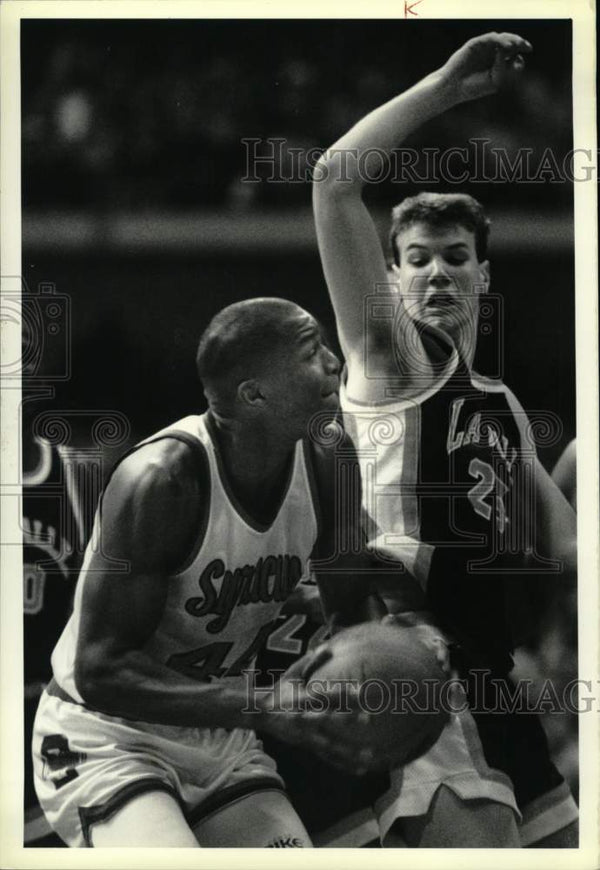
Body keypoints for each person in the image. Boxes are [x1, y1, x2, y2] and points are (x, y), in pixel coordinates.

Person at [312, 31, 578, 847]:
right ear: (390, 279)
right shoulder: (396, 361)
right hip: (414, 661)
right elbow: (331, 183)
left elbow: (561, 544)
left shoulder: (496, 401)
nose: (436, 273)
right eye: (416, 259)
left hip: (489, 674)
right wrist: (442, 89)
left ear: (483, 276)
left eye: (456, 258)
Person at [31, 297, 400, 848]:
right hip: (107, 735)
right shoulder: (160, 482)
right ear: (254, 394)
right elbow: (99, 671)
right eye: (312, 352)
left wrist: (388, 662)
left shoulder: (330, 458)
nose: (334, 363)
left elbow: (348, 611)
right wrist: (261, 705)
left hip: (222, 732)